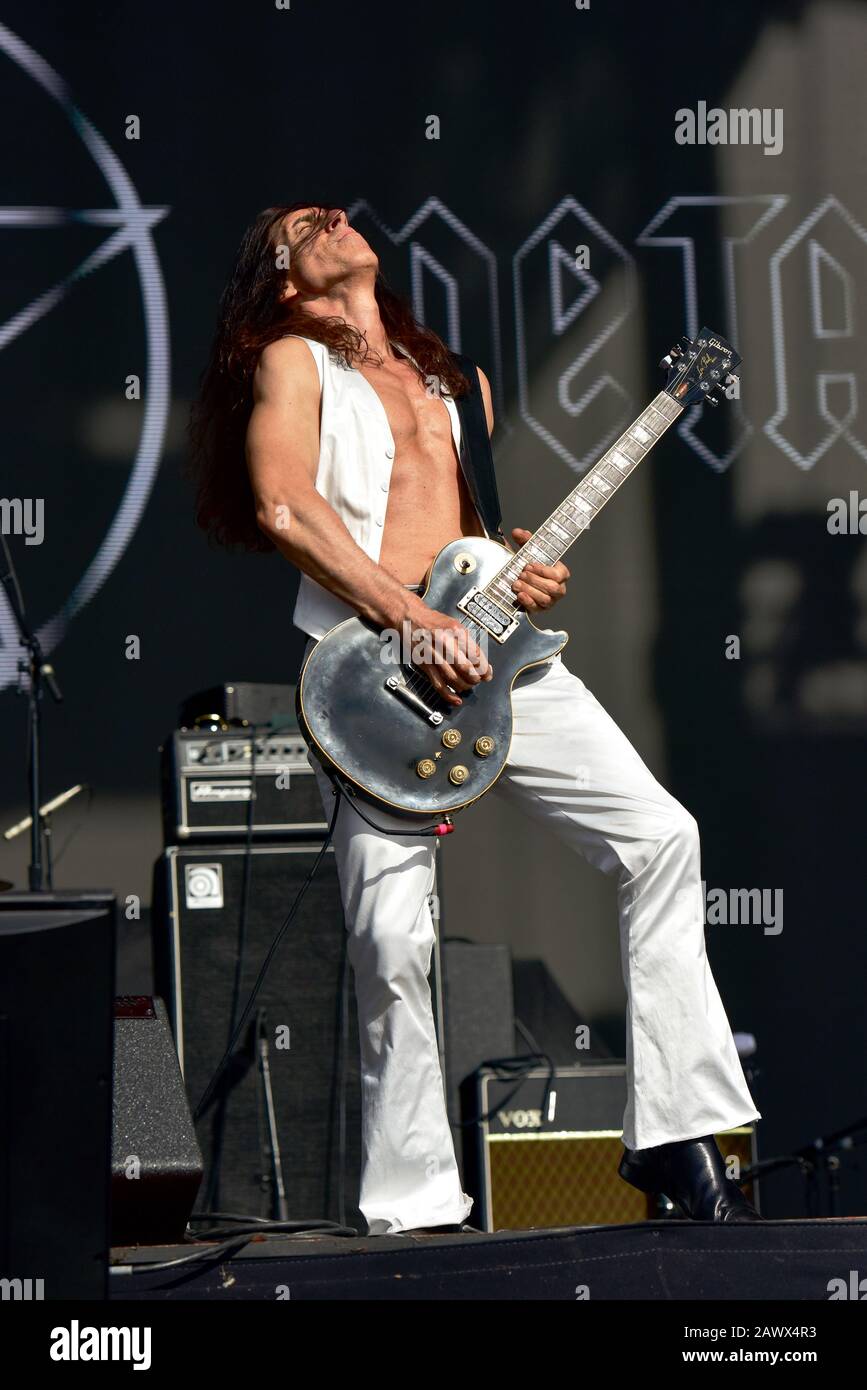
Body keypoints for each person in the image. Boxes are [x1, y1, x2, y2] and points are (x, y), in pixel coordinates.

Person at [191, 203, 763, 1233]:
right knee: (389, 937)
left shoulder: (459, 383)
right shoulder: (293, 362)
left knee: (662, 835)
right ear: (284, 276)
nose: (337, 219)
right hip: (373, 679)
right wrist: (409, 616)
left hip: (491, 658)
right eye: (307, 222)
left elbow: (461, 534)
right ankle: (414, 1208)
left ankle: (676, 1131)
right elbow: (284, 506)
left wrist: (513, 565)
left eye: (339, 211)